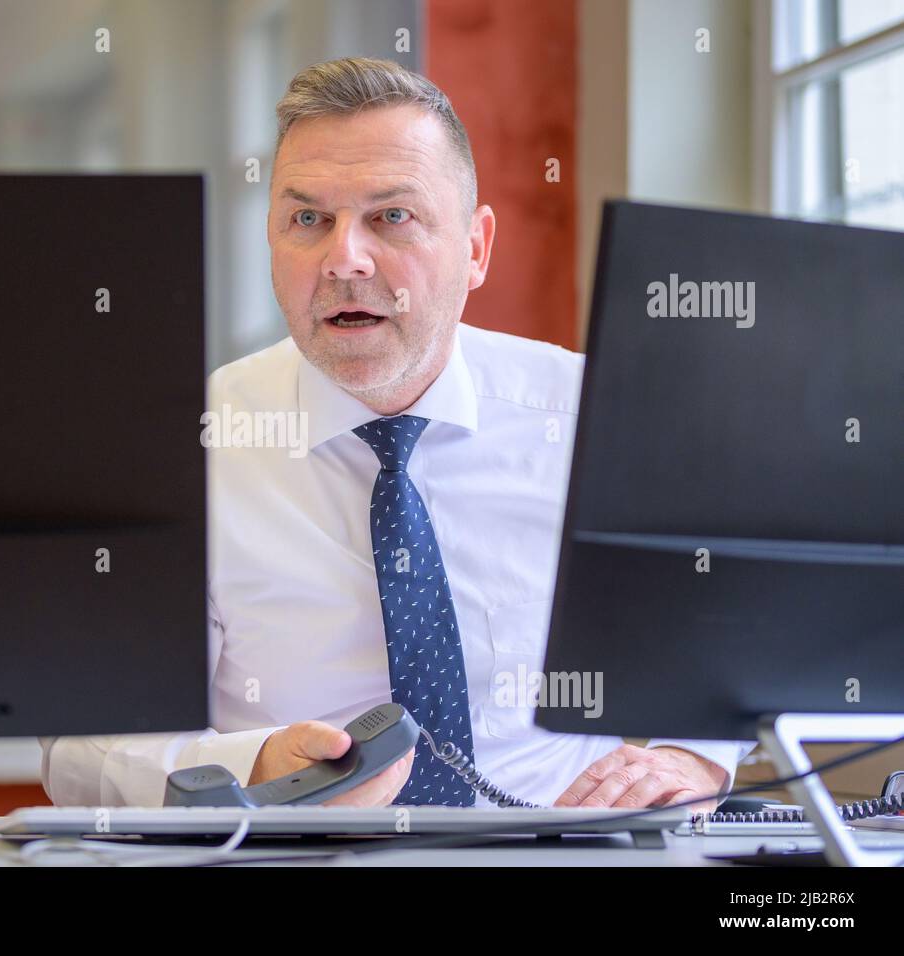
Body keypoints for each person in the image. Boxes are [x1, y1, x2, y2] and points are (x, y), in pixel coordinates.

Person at [41, 56, 753, 809]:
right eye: (308, 219)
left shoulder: (592, 417)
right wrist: (252, 767)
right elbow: (78, 745)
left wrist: (692, 757)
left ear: (476, 249)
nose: (344, 258)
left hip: (562, 856)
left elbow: (737, 618)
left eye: (392, 216)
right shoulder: (176, 449)